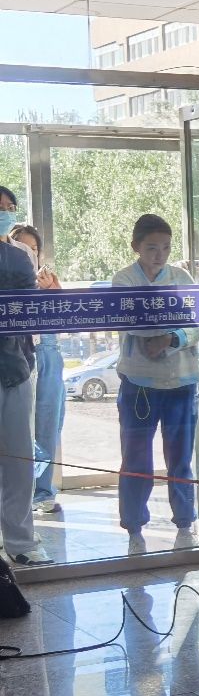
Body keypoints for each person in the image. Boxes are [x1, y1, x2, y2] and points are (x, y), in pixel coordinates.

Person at [113, 214, 199, 556]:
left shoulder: (182, 277)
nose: (159, 254)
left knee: (180, 458)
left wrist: (171, 338)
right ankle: (134, 528)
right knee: (136, 459)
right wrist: (162, 329)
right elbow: (127, 320)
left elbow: (198, 324)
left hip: (181, 382)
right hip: (139, 384)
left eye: (165, 247)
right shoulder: (124, 280)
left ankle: (185, 524)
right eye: (152, 248)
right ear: (136, 246)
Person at [0, 186, 50, 566]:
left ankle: (20, 542)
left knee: (18, 461)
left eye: (9, 207)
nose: (5, 212)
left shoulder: (19, 256)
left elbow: (29, 311)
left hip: (15, 369)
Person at [11, 224, 65, 516]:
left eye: (34, 249)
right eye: (23, 247)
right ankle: (20, 495)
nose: (29, 253)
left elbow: (65, 318)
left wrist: (53, 292)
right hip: (21, 355)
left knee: (48, 426)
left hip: (49, 352)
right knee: (19, 429)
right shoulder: (11, 280)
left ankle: (43, 492)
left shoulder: (48, 281)